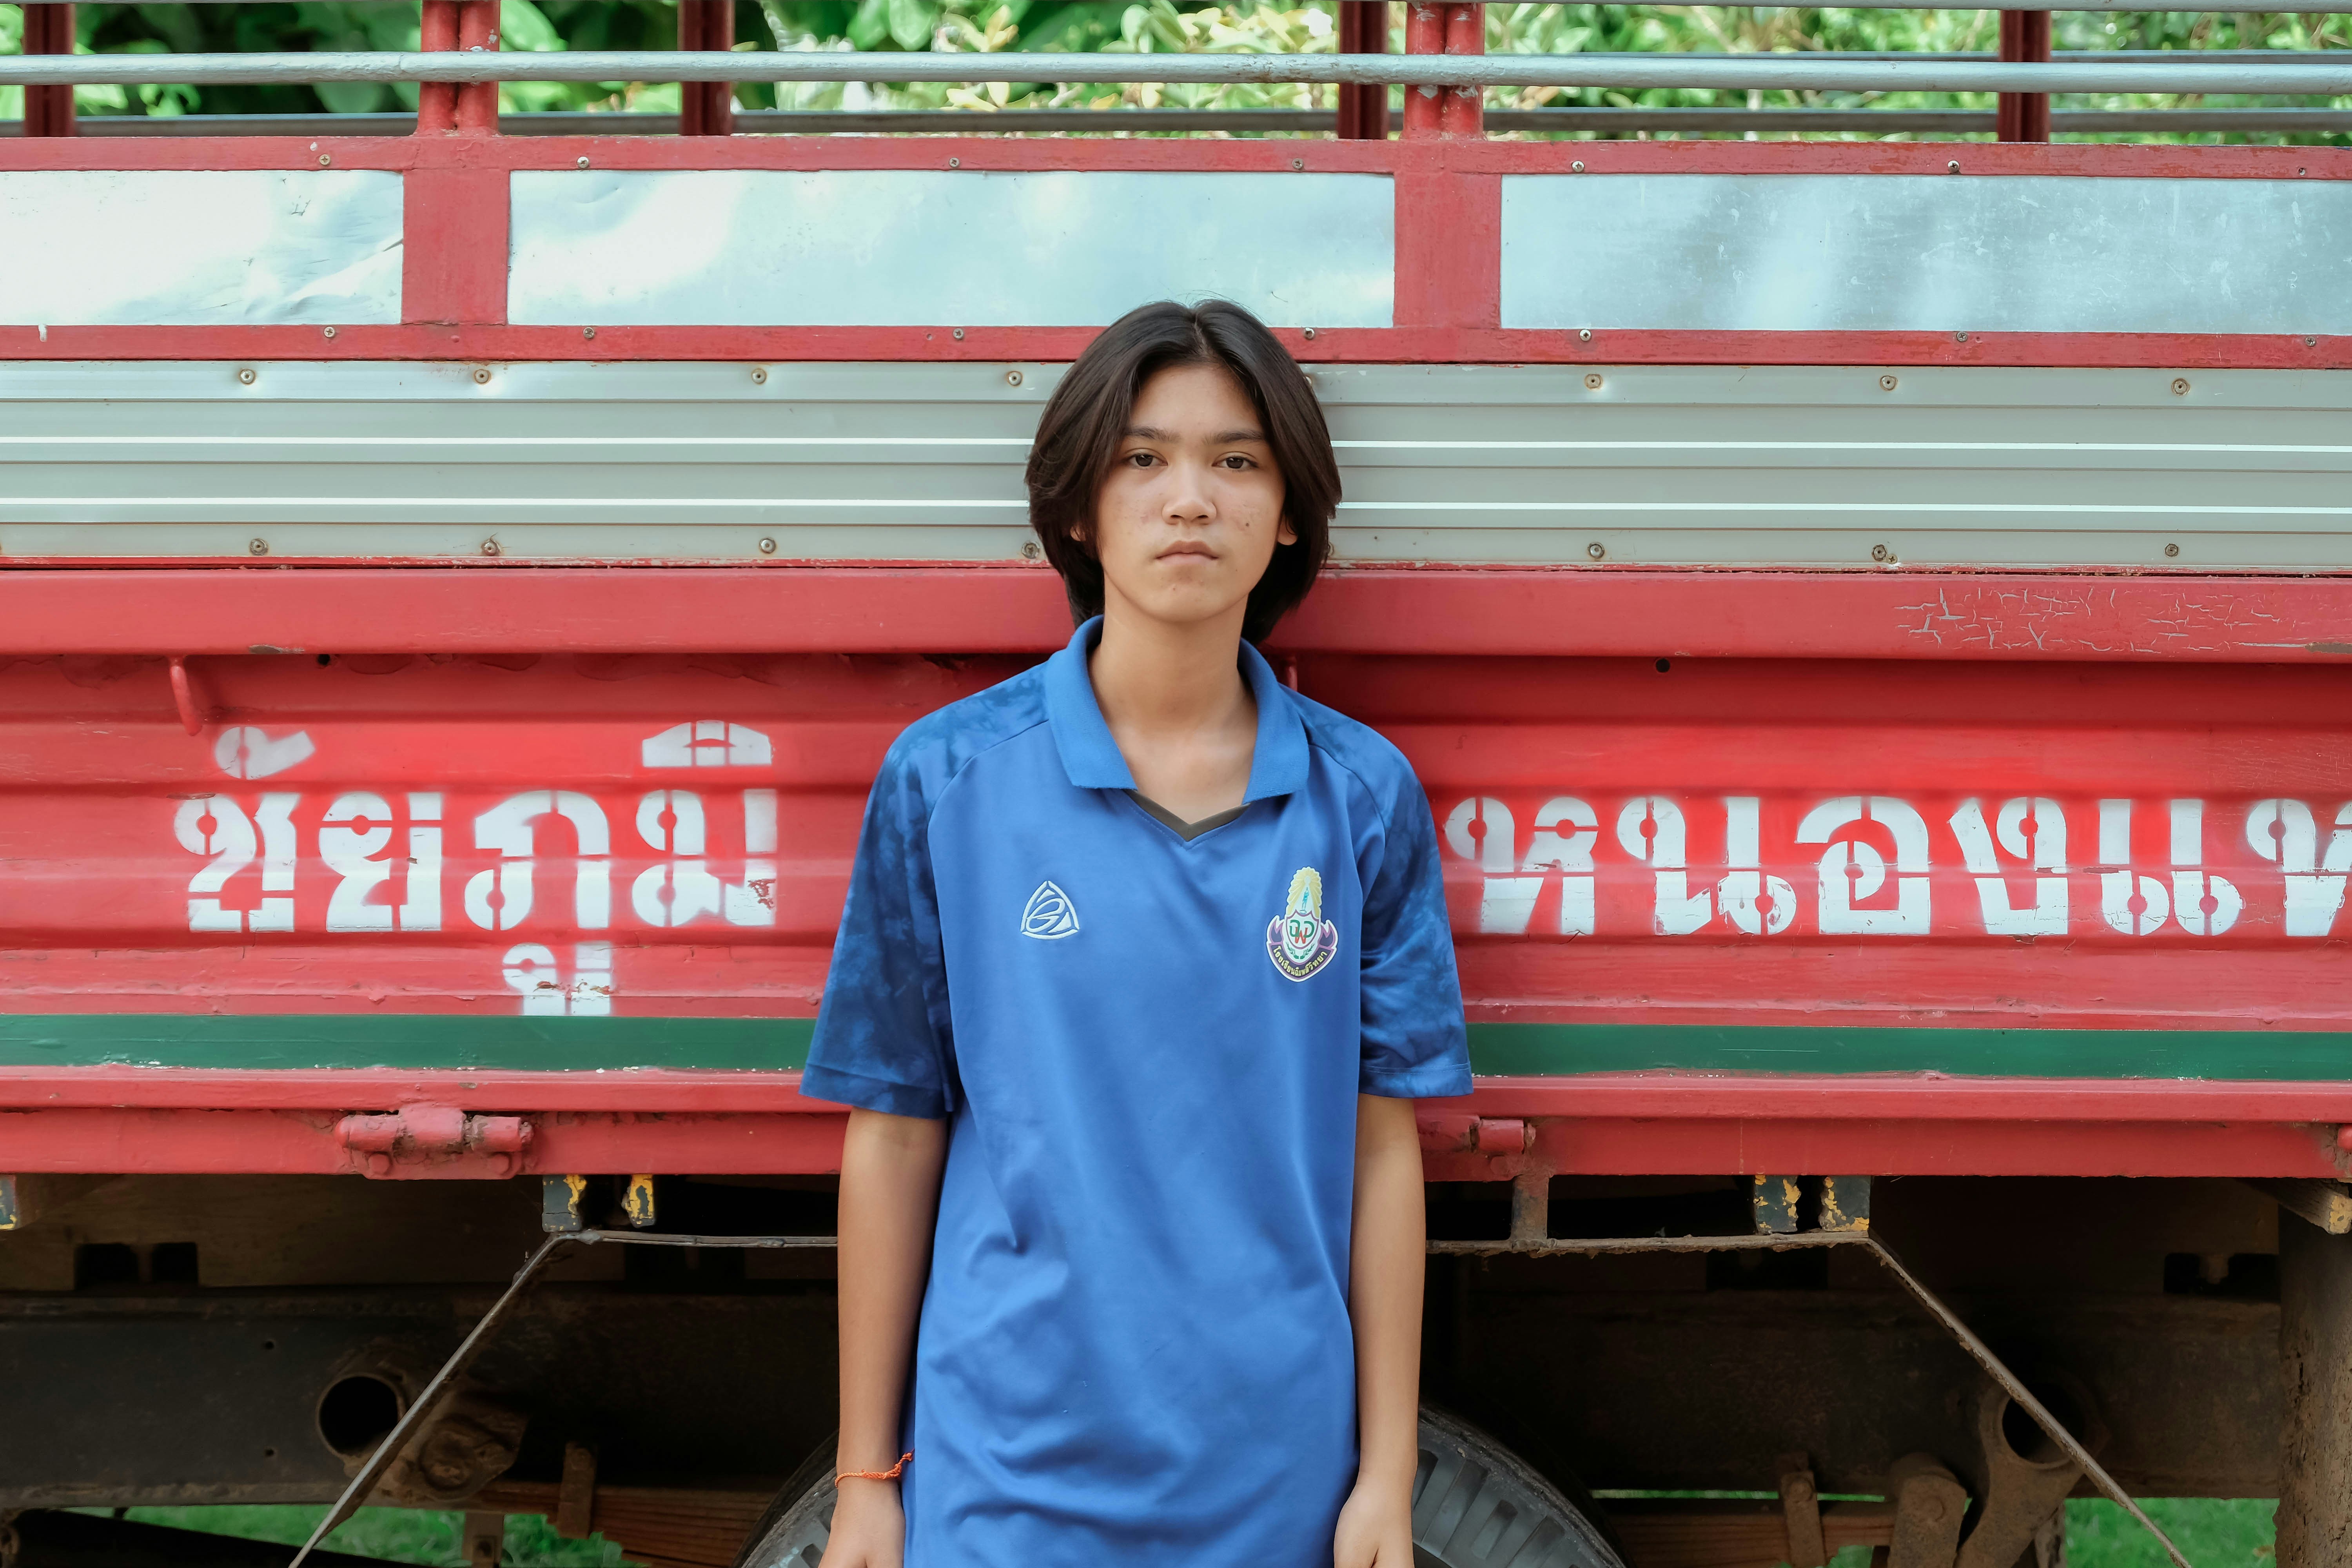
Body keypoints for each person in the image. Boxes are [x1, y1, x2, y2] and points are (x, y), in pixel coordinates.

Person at [802, 298, 1472, 1568]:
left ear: (1288, 517)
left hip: (1277, 1468)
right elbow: (892, 1136)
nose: (1190, 500)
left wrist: (1384, 1478)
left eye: (1237, 462)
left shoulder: (1361, 794)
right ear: (1075, 507)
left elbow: (1382, 1153)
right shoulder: (949, 778)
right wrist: (866, 1481)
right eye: (1142, 459)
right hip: (1004, 1463)